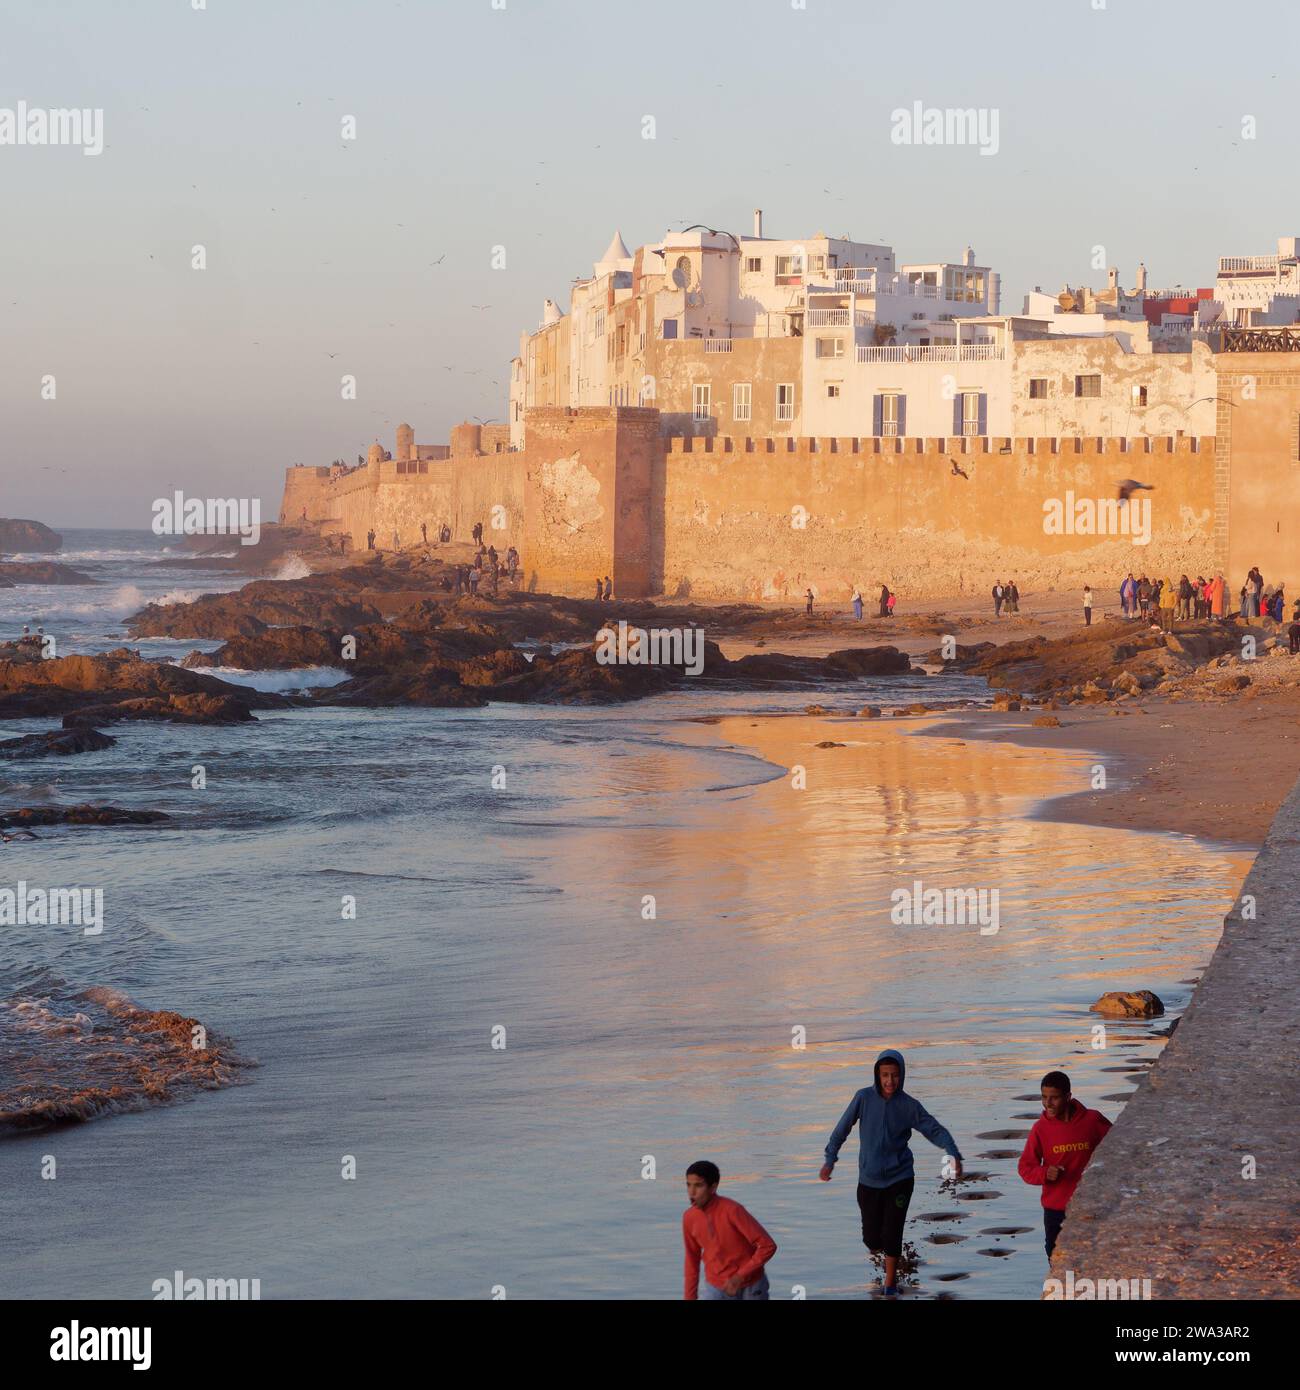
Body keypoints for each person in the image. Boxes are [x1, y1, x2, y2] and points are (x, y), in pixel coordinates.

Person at [820, 1049, 963, 1298]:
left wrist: (952, 1152)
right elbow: (841, 1128)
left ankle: (889, 1284)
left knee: (892, 1231)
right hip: (868, 1181)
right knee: (872, 1238)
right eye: (885, 1075)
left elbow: (934, 1129)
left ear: (902, 1076)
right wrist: (830, 1159)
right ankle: (881, 1252)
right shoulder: (863, 1098)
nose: (890, 1081)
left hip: (900, 1179)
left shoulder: (909, 1106)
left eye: (895, 1075)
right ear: (877, 1075)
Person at [1017, 1070, 1111, 1259]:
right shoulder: (1040, 1129)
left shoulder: (1092, 1120)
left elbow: (1118, 1147)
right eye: (1044, 1097)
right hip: (1055, 1209)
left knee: (1091, 1256)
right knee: (1056, 1256)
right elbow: (1025, 1168)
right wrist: (1045, 1173)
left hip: (1089, 1205)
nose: (1048, 1104)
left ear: (1068, 1097)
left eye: (1054, 1098)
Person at [682, 1161, 777, 1301]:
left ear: (713, 1187)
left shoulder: (732, 1210)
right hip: (715, 1287)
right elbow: (692, 1260)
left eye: (698, 1185)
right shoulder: (689, 1218)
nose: (692, 1192)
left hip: (751, 1286)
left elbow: (768, 1246)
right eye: (688, 1185)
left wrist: (740, 1276)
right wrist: (689, 1297)